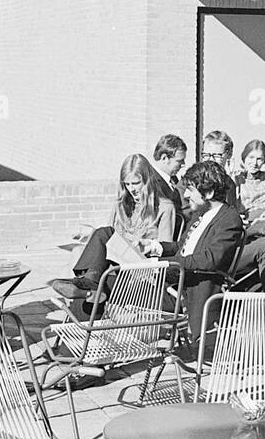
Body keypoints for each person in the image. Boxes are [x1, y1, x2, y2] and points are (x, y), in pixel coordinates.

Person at [137, 160, 244, 345]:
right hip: (175, 278)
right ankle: (90, 285)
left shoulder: (229, 219)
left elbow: (211, 259)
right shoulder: (200, 215)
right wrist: (154, 247)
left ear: (209, 193)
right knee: (111, 272)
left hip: (190, 286)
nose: (186, 195)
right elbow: (181, 247)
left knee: (116, 287)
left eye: (191, 190)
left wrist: (167, 264)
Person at [55, 154, 179, 295]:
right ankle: (91, 290)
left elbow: (165, 248)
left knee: (103, 233)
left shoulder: (165, 207)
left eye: (136, 183)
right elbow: (109, 239)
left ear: (147, 180)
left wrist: (145, 244)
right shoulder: (121, 205)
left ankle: (90, 283)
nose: (131, 189)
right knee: (80, 249)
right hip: (116, 260)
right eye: (127, 184)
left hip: (142, 264)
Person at [199, 130, 265, 293]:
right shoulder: (230, 179)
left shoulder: (234, 182)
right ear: (243, 158)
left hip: (250, 228)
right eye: (207, 155)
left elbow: (229, 214)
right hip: (223, 244)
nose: (255, 163)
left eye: (259, 159)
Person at [149, 133, 188, 220]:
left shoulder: (173, 178)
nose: (183, 164)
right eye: (179, 161)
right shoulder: (150, 183)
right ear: (164, 158)